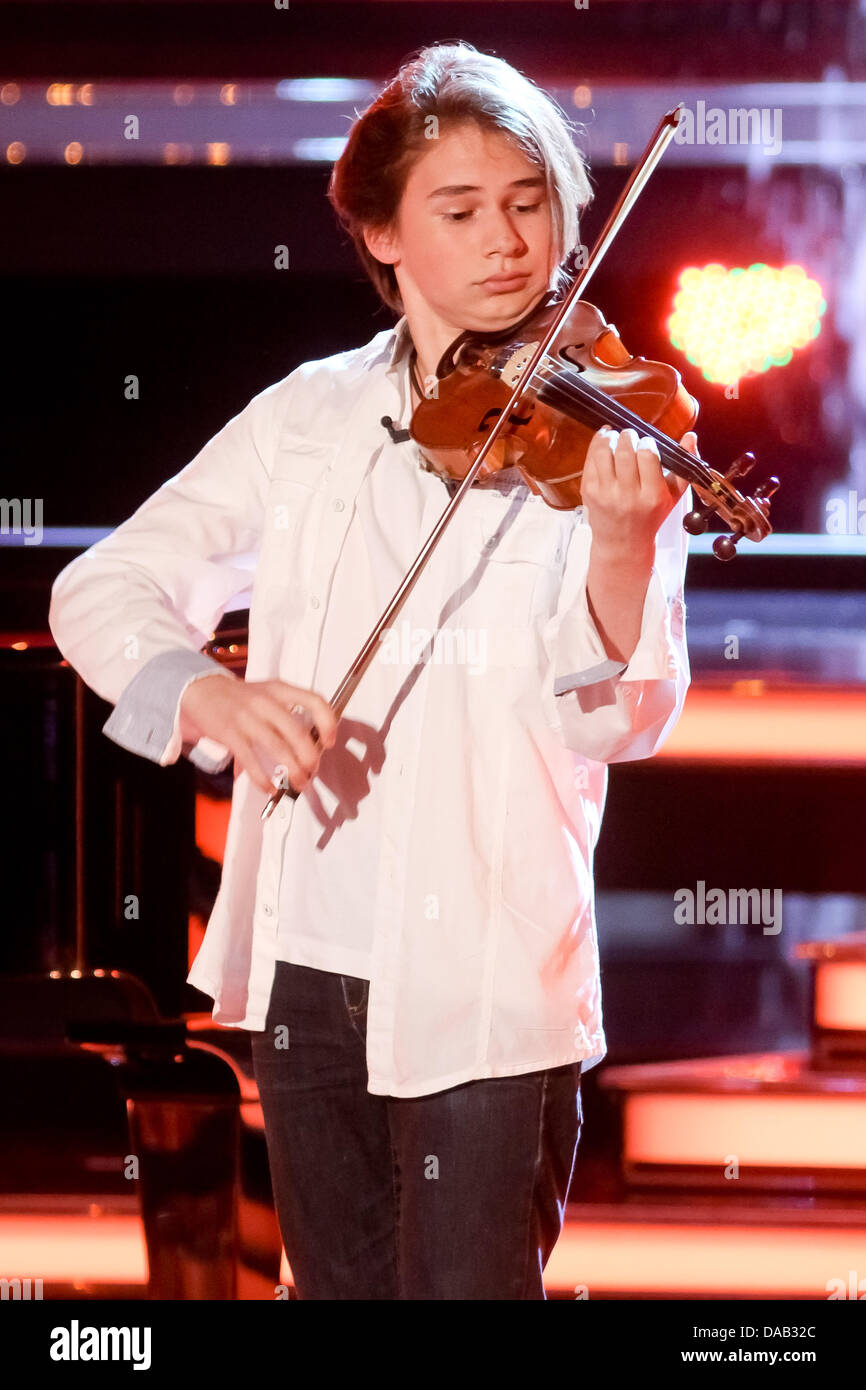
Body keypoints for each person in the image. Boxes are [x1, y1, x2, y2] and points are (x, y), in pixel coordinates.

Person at [48, 41, 695, 1299]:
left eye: (527, 204)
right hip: (309, 959)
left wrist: (621, 545)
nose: (507, 242)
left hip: (491, 979)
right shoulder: (308, 416)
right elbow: (104, 587)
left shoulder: (608, 422)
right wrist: (208, 690)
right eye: (459, 211)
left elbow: (615, 717)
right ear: (382, 234)